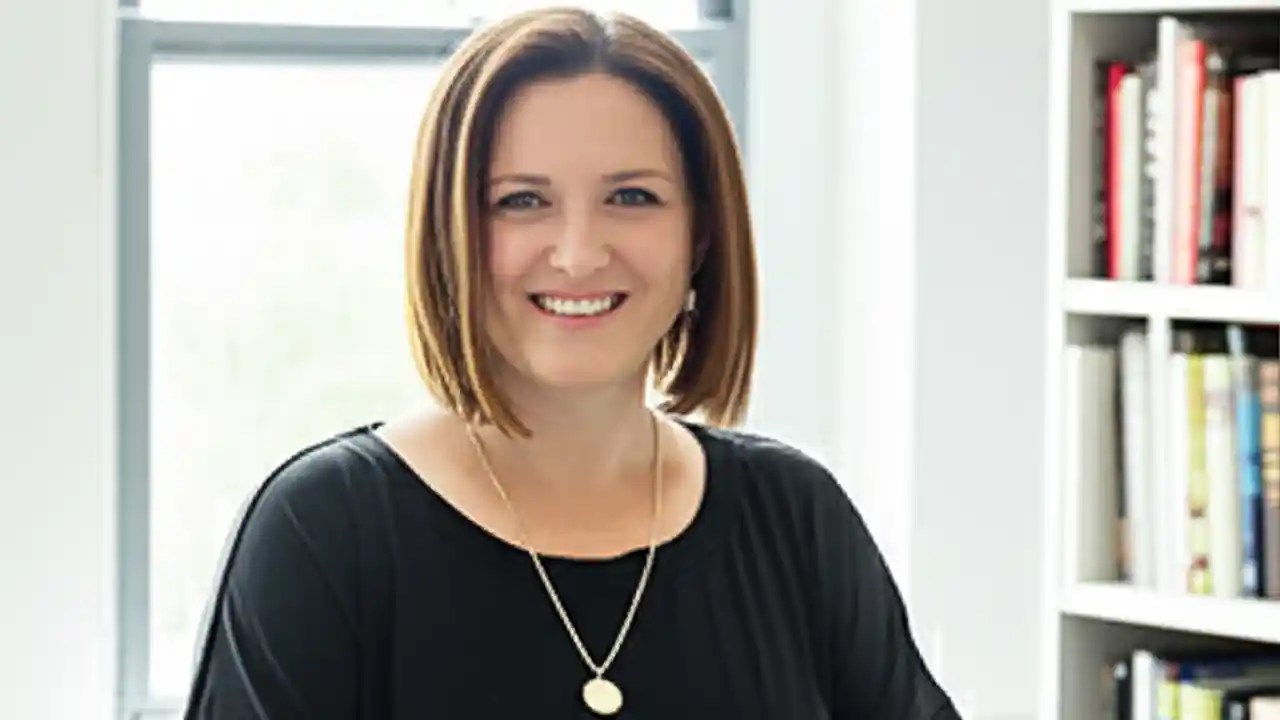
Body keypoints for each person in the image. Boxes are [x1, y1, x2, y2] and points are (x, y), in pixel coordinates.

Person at [183, 6, 960, 719]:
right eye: (521, 201)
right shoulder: (323, 531)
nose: (580, 252)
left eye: (633, 198)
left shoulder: (796, 518)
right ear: (450, 234)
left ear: (701, 236)